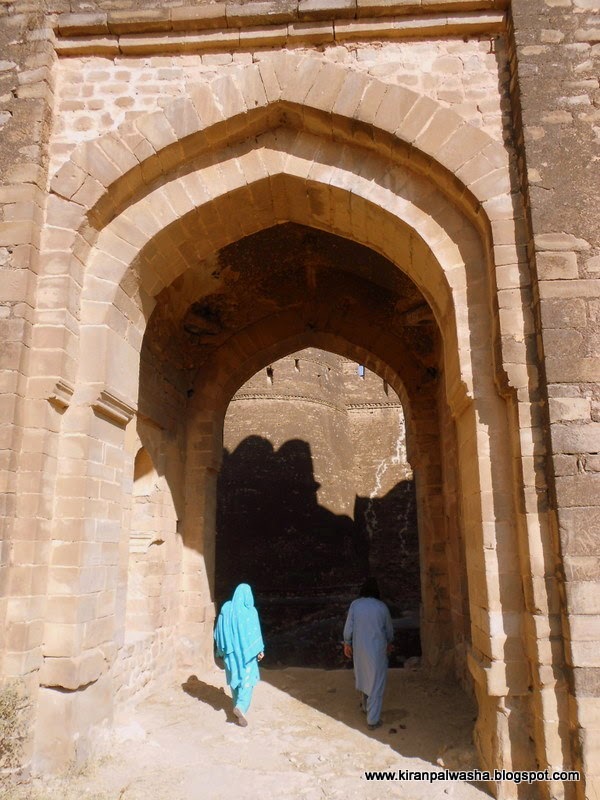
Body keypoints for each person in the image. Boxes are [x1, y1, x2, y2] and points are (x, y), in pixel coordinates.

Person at [343, 577, 393, 730]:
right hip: (377, 649)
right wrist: (390, 642)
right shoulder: (382, 607)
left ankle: (366, 707)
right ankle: (373, 720)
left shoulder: (355, 605)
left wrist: (347, 642)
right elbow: (389, 629)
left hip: (360, 649)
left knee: (364, 676)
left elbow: (348, 627)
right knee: (376, 682)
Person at [214, 583, 264, 727]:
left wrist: (221, 649)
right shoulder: (250, 612)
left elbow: (218, 630)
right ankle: (241, 707)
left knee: (235, 679)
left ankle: (237, 709)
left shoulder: (226, 609)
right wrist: (259, 649)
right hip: (247, 654)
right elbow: (255, 632)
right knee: (247, 681)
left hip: (230, 654)